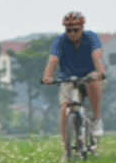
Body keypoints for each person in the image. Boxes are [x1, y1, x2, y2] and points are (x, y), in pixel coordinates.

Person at [41, 11, 107, 146]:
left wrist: (100, 72)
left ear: (82, 28)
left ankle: (96, 120)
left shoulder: (91, 37)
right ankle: (67, 149)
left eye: (76, 29)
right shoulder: (60, 41)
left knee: (92, 81)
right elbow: (53, 61)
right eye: (68, 30)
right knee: (65, 108)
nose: (72, 33)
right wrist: (47, 77)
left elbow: (97, 57)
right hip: (68, 79)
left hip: (89, 76)